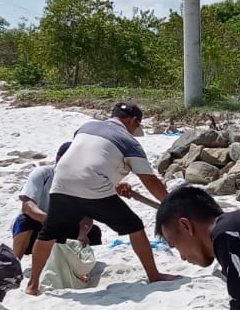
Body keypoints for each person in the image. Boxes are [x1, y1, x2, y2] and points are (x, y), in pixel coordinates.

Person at [25, 100, 178, 296]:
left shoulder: (86, 126)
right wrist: (171, 204)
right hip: (94, 187)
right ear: (133, 120)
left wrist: (112, 182)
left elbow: (88, 160)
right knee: (135, 226)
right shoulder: (129, 142)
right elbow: (149, 180)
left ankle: (32, 285)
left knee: (48, 234)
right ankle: (154, 275)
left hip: (61, 182)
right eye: (136, 126)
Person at [12, 141, 100, 259]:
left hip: (64, 229)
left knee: (93, 232)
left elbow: (87, 216)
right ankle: (15, 263)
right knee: (24, 221)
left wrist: (82, 234)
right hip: (39, 225)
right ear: (58, 158)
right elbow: (27, 206)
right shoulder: (42, 174)